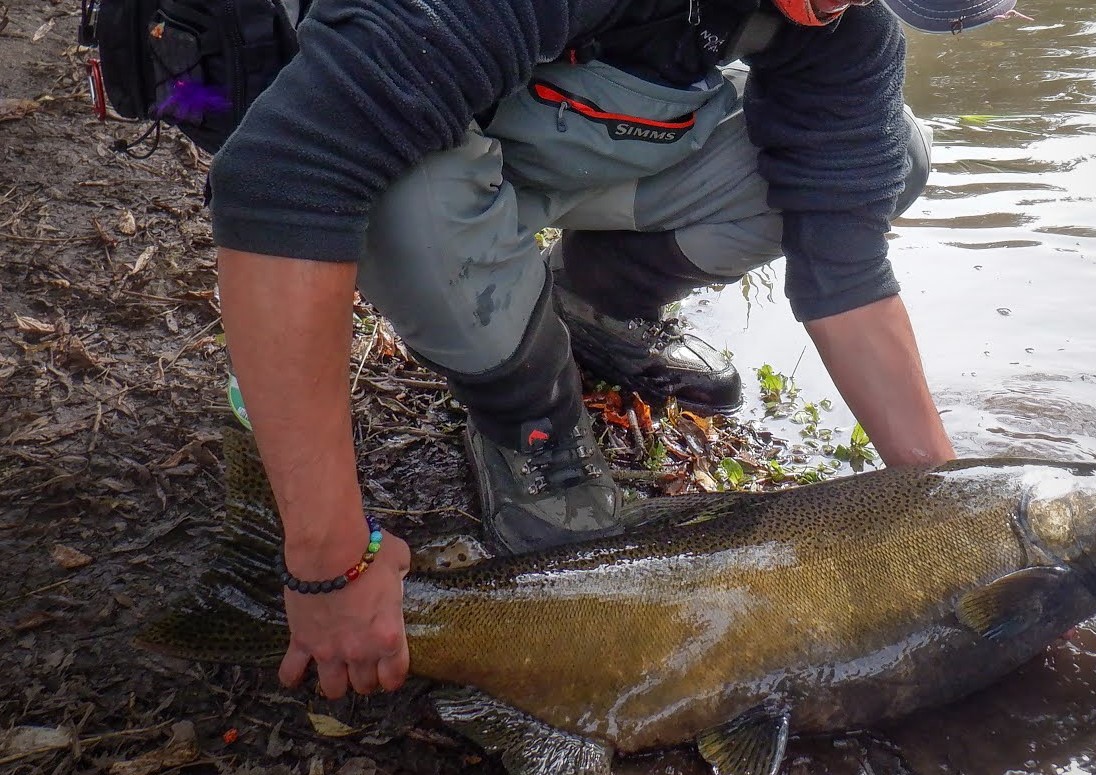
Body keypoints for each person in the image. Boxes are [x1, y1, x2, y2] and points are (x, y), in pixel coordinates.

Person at [211, 0, 1019, 700]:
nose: (848, 7)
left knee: (886, 158)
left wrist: (947, 505)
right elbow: (283, 171)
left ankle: (592, 306)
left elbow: (847, 269)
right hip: (399, 127)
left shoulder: (842, 26)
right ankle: (528, 429)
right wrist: (328, 564)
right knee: (396, 190)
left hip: (560, 134)